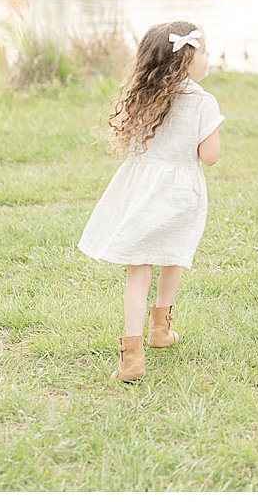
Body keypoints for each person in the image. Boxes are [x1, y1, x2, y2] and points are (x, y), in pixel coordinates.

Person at [79, 20, 224, 383]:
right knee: (173, 253)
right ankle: (161, 328)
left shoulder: (142, 95)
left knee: (138, 270)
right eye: (205, 52)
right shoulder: (203, 102)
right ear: (188, 59)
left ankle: (132, 355)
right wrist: (211, 132)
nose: (209, 58)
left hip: (140, 191)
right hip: (180, 193)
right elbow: (210, 157)